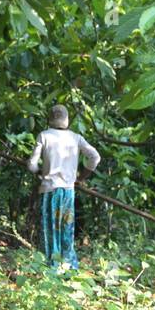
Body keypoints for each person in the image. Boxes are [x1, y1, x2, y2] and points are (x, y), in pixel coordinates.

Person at [27, 104, 100, 272]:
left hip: (49, 189)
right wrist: (81, 178)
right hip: (68, 190)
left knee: (49, 229)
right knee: (67, 228)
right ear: (66, 119)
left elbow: (31, 164)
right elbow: (95, 157)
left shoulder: (44, 136)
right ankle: (69, 266)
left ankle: (51, 268)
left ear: (49, 119)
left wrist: (39, 172)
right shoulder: (76, 138)